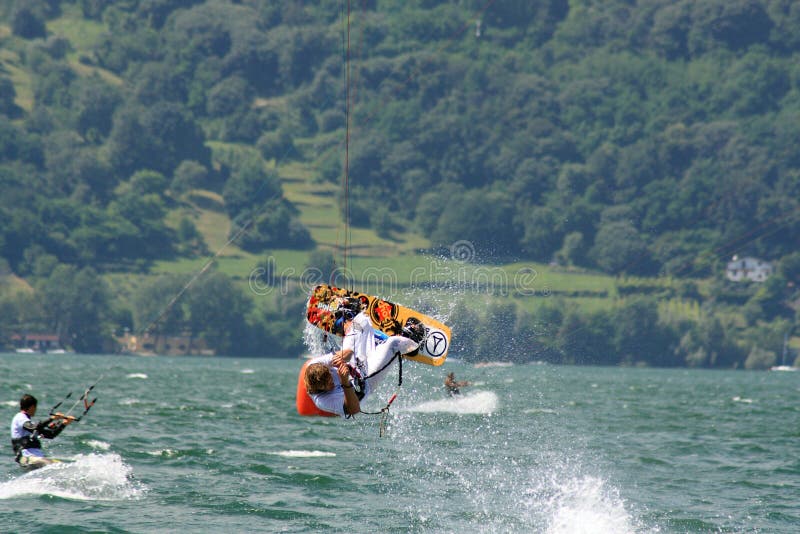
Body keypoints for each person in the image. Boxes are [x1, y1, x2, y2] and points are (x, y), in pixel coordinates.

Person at [304, 334, 418, 418]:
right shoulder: (322, 401)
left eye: (330, 379)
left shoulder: (314, 364)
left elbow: (349, 352)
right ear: (319, 389)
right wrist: (345, 382)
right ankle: (416, 342)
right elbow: (354, 409)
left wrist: (342, 358)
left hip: (357, 364)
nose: (332, 384)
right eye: (328, 386)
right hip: (366, 384)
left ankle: (348, 319)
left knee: (356, 329)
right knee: (394, 342)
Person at [10, 394, 71, 468]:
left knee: (64, 466)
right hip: (27, 457)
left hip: (37, 457)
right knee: (58, 466)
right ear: (32, 407)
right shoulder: (20, 417)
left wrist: (64, 424)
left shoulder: (28, 422)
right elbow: (34, 427)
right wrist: (52, 418)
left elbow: (51, 435)